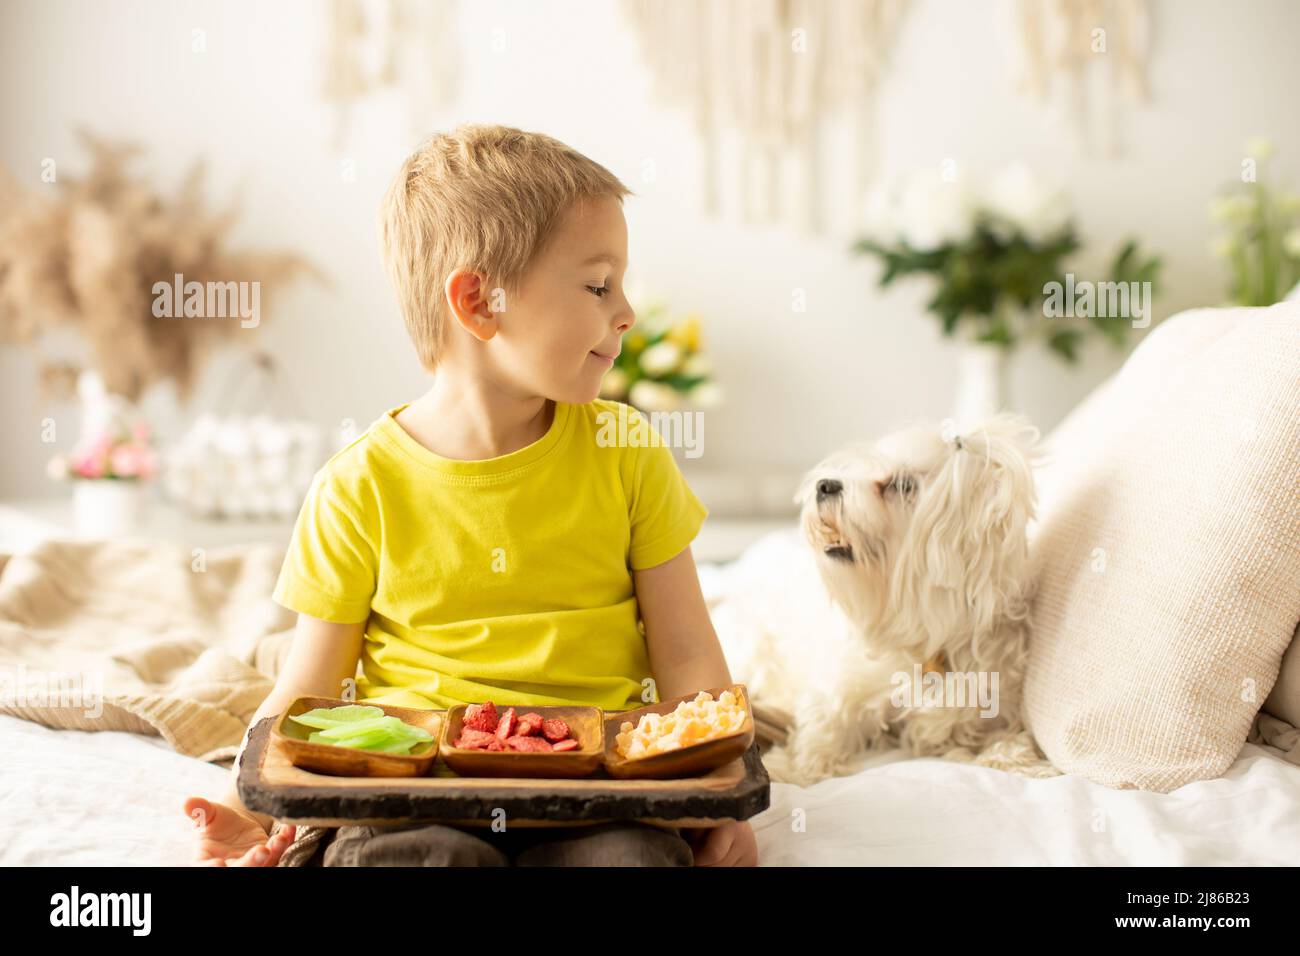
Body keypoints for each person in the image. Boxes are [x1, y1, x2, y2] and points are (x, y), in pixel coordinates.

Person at [183, 123, 757, 867]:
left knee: (632, 863)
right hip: (414, 792)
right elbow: (306, 690)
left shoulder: (628, 453)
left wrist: (714, 801)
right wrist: (245, 810)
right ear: (480, 301)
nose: (626, 312)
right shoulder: (359, 485)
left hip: (598, 789)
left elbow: (687, 662)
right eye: (597, 284)